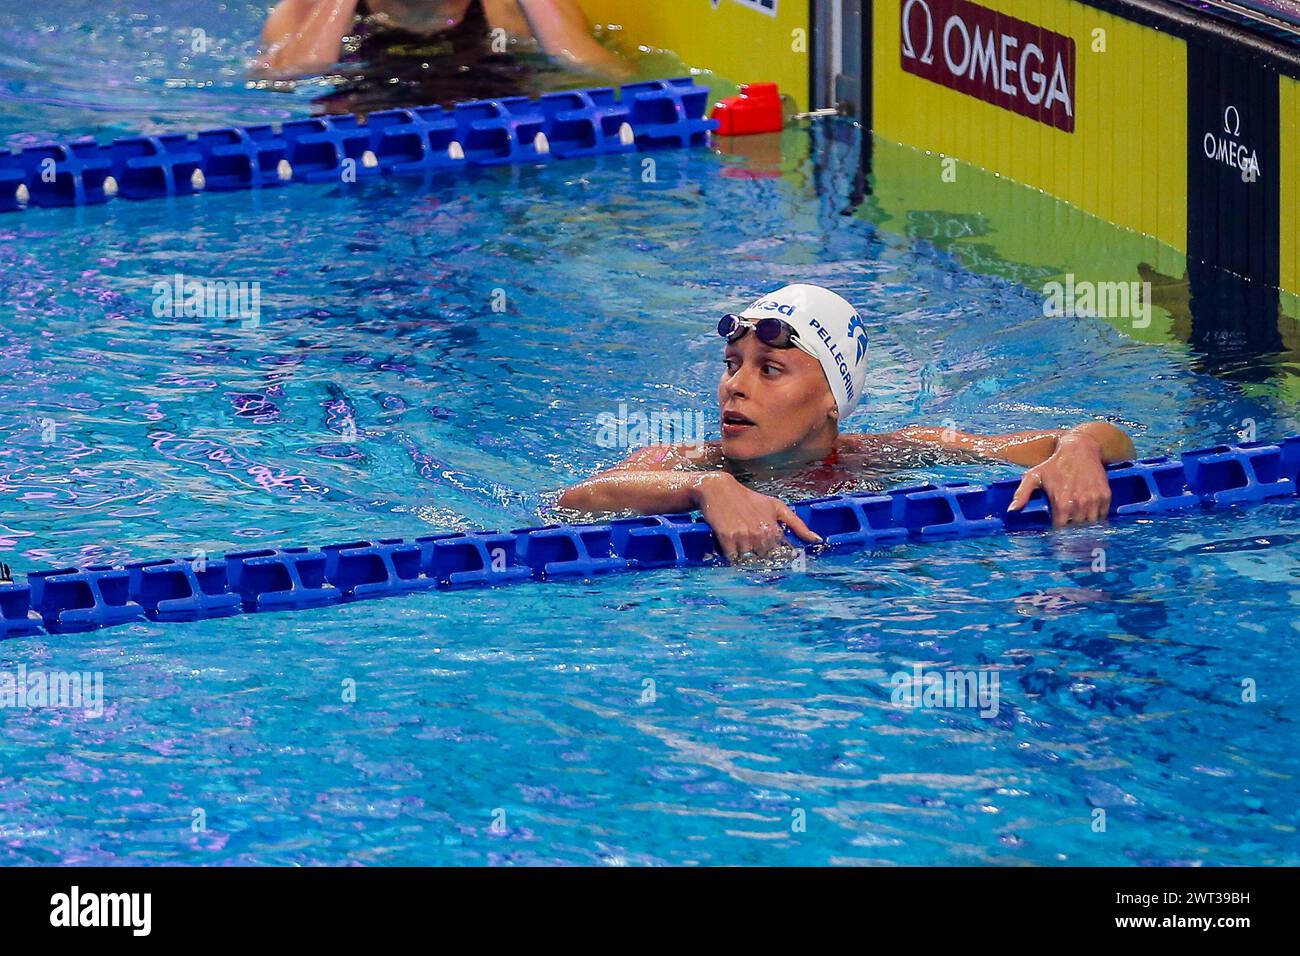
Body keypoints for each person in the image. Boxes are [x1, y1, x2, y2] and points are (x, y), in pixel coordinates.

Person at [558, 283, 1137, 562]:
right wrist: (707, 488)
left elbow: (1107, 434)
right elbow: (574, 500)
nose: (735, 385)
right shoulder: (687, 464)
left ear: (832, 400)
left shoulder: (891, 453)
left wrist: (1081, 447)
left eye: (771, 370)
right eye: (732, 366)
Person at [253, 0, 627, 81]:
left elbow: (611, 77)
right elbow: (279, 80)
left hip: (499, 163)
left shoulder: (509, 9)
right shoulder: (304, 12)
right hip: (365, 158)